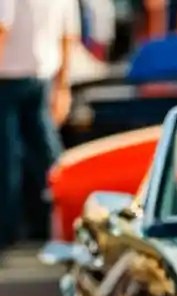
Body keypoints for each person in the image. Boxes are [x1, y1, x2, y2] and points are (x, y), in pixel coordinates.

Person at [0, 0, 79, 252]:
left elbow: (2, 29)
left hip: (10, 81)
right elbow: (69, 36)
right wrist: (63, 86)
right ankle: (53, 224)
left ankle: (10, 230)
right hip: (40, 77)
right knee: (45, 157)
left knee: (9, 160)